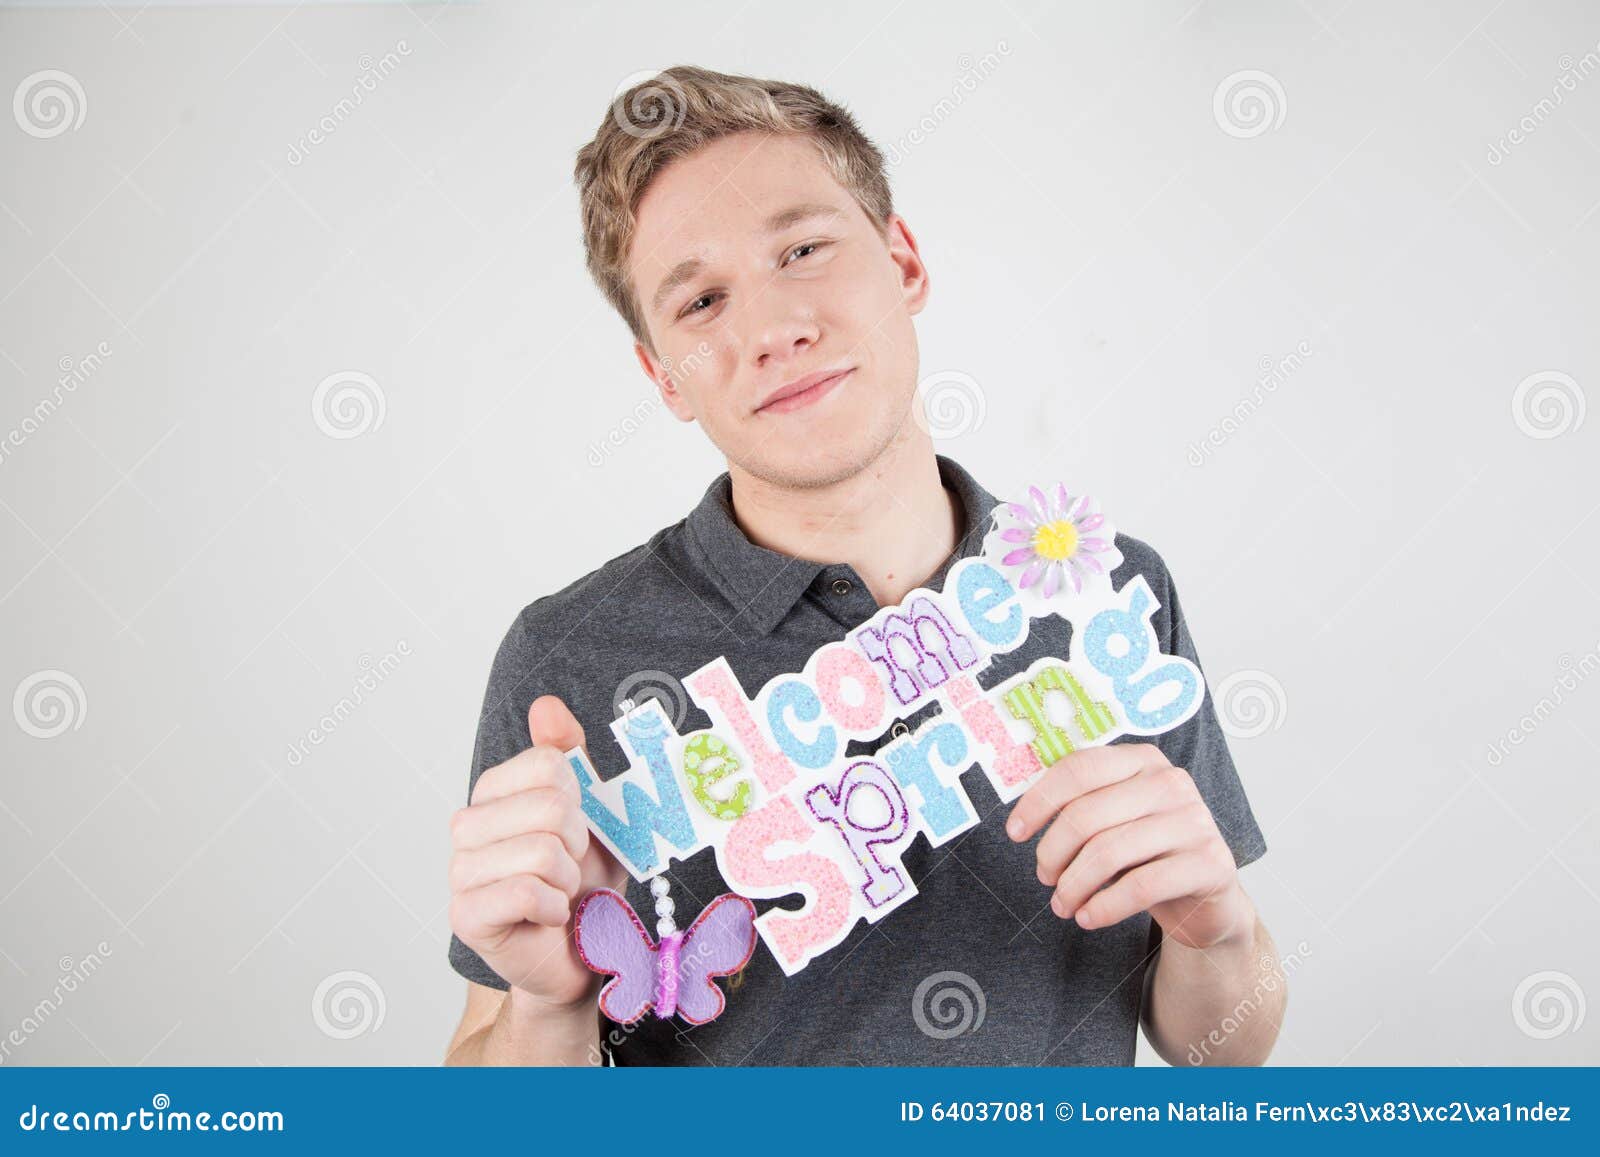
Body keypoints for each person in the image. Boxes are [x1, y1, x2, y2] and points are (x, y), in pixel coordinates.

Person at [444, 65, 1282, 1066]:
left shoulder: (1101, 587)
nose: (772, 330)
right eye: (703, 299)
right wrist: (548, 1004)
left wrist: (1215, 925)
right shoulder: (571, 656)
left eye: (802, 249)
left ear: (904, 261)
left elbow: (1216, 1053)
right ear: (662, 374)